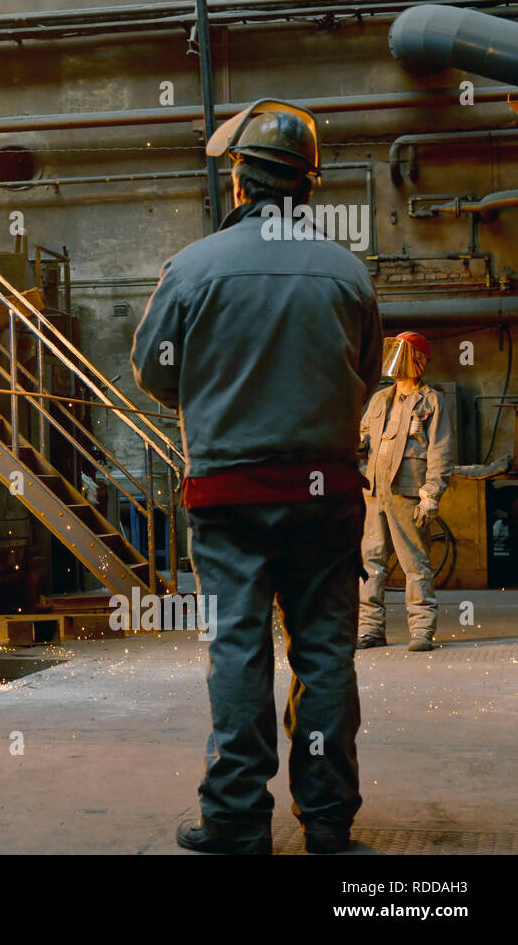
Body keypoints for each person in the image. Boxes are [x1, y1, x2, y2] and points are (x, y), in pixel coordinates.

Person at [131, 99, 382, 855]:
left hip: (229, 496)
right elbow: (364, 378)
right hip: (325, 494)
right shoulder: (347, 271)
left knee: (238, 648)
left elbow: (154, 372)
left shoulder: (195, 266)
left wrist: (216, 392)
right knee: (326, 652)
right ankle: (330, 825)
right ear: (309, 186)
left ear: (239, 180)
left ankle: (238, 821)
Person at [357, 332, 454, 652]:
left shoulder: (432, 401)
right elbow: (361, 443)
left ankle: (422, 630)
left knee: (415, 563)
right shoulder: (379, 399)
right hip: (374, 493)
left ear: (419, 360)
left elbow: (440, 452)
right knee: (370, 563)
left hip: (407, 494)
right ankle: (370, 630)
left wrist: (431, 494)